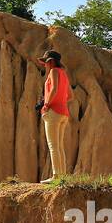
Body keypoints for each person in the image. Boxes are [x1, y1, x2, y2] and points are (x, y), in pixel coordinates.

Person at [33, 49, 72, 181]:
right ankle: (63, 177)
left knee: (53, 145)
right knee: (59, 146)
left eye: (46, 62)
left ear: (51, 62)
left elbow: (54, 88)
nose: (44, 65)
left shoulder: (54, 71)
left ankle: (56, 176)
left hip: (53, 112)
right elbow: (70, 96)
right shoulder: (64, 74)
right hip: (64, 113)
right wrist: (60, 101)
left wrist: (46, 104)